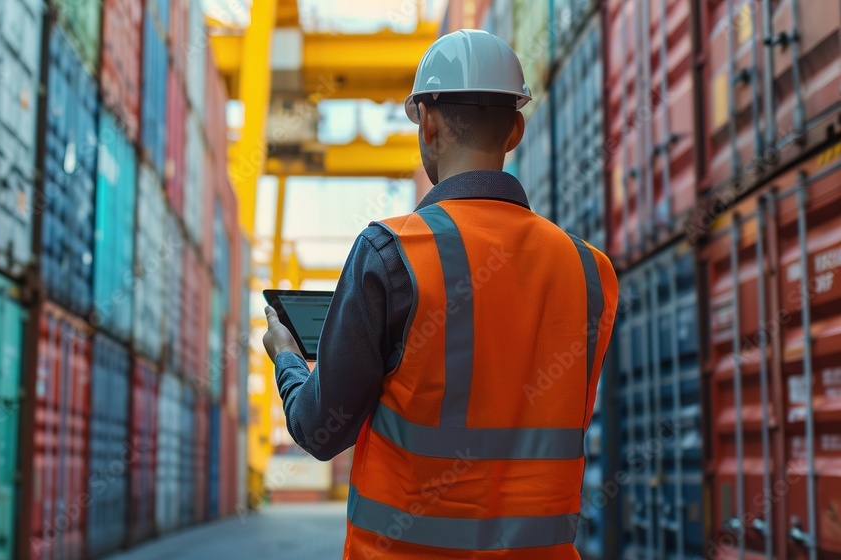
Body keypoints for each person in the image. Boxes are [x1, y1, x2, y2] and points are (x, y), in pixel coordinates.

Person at [263, 29, 619, 559]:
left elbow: (320, 431)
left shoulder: (390, 253)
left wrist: (288, 359)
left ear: (427, 123)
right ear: (516, 129)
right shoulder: (591, 271)